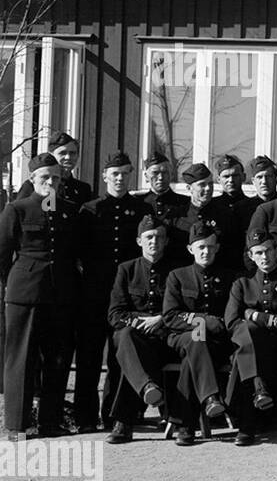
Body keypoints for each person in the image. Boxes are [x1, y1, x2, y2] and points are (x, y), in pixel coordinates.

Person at [0, 152, 81, 438]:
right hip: (26, 295)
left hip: (61, 296)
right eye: (45, 177)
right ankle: (17, 425)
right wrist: (9, 290)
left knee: (58, 361)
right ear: (33, 179)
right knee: (21, 360)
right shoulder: (17, 209)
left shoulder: (70, 210)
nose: (51, 182)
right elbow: (2, 254)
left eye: (55, 177)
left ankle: (49, 422)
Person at [74, 150, 152, 432]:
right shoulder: (91, 210)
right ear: (105, 176)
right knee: (89, 356)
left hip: (127, 295)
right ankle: (84, 417)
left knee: (120, 356)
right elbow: (79, 252)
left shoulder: (142, 210)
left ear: (131, 175)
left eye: (125, 173)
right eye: (115, 174)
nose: (120, 178)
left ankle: (115, 414)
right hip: (95, 293)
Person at [161, 221, 234, 445]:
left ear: (217, 248)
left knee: (193, 355)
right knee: (196, 339)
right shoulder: (177, 276)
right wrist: (204, 321)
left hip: (216, 343)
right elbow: (170, 316)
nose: (206, 251)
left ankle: (185, 425)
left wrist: (215, 325)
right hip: (181, 338)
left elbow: (230, 315)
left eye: (211, 247)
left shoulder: (229, 277)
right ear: (191, 249)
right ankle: (211, 397)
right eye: (201, 247)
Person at [225, 228, 277, 446]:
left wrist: (255, 315)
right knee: (249, 339)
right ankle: (258, 391)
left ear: (276, 250)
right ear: (250, 255)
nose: (264, 257)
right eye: (258, 253)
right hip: (251, 347)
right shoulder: (242, 283)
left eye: (268, 251)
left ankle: (245, 425)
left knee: (247, 350)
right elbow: (230, 322)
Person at [104, 215, 174, 444]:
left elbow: (183, 309)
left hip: (166, 338)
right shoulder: (126, 270)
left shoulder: (176, 271)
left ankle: (123, 422)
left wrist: (161, 320)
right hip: (138, 337)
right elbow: (115, 315)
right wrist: (143, 322)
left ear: (166, 242)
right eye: (149, 237)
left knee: (130, 354)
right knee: (125, 336)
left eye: (159, 237)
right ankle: (147, 387)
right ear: (139, 241)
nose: (154, 241)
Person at [16, 132, 94, 207]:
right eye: (62, 153)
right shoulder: (35, 185)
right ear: (51, 154)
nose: (68, 157)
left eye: (72, 153)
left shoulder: (83, 189)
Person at [137, 152, 188, 217]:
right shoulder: (138, 203)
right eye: (155, 173)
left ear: (171, 175)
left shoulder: (184, 203)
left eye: (165, 172)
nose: (161, 177)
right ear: (146, 177)